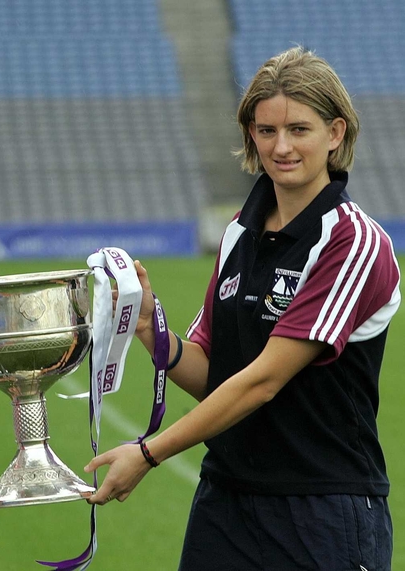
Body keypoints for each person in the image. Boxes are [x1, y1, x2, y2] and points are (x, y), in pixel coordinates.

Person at [85, 46, 400, 570]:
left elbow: (263, 381)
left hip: (324, 508)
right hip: (226, 504)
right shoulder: (239, 232)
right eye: (266, 130)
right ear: (250, 134)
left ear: (336, 133)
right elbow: (214, 374)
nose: (281, 147)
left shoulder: (353, 241)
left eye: (299, 129)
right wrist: (148, 326)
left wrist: (148, 453)